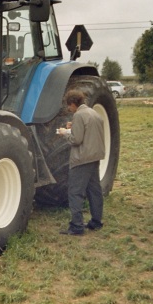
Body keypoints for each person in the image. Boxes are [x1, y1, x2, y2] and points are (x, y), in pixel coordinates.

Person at [57, 89, 105, 235]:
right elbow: (88, 132)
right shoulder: (94, 113)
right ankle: (96, 222)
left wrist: (64, 133)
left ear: (73, 103)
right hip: (94, 157)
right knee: (94, 191)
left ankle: (77, 226)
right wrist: (74, 127)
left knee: (75, 193)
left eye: (69, 106)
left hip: (81, 159)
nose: (69, 109)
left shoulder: (79, 115)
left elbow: (76, 140)